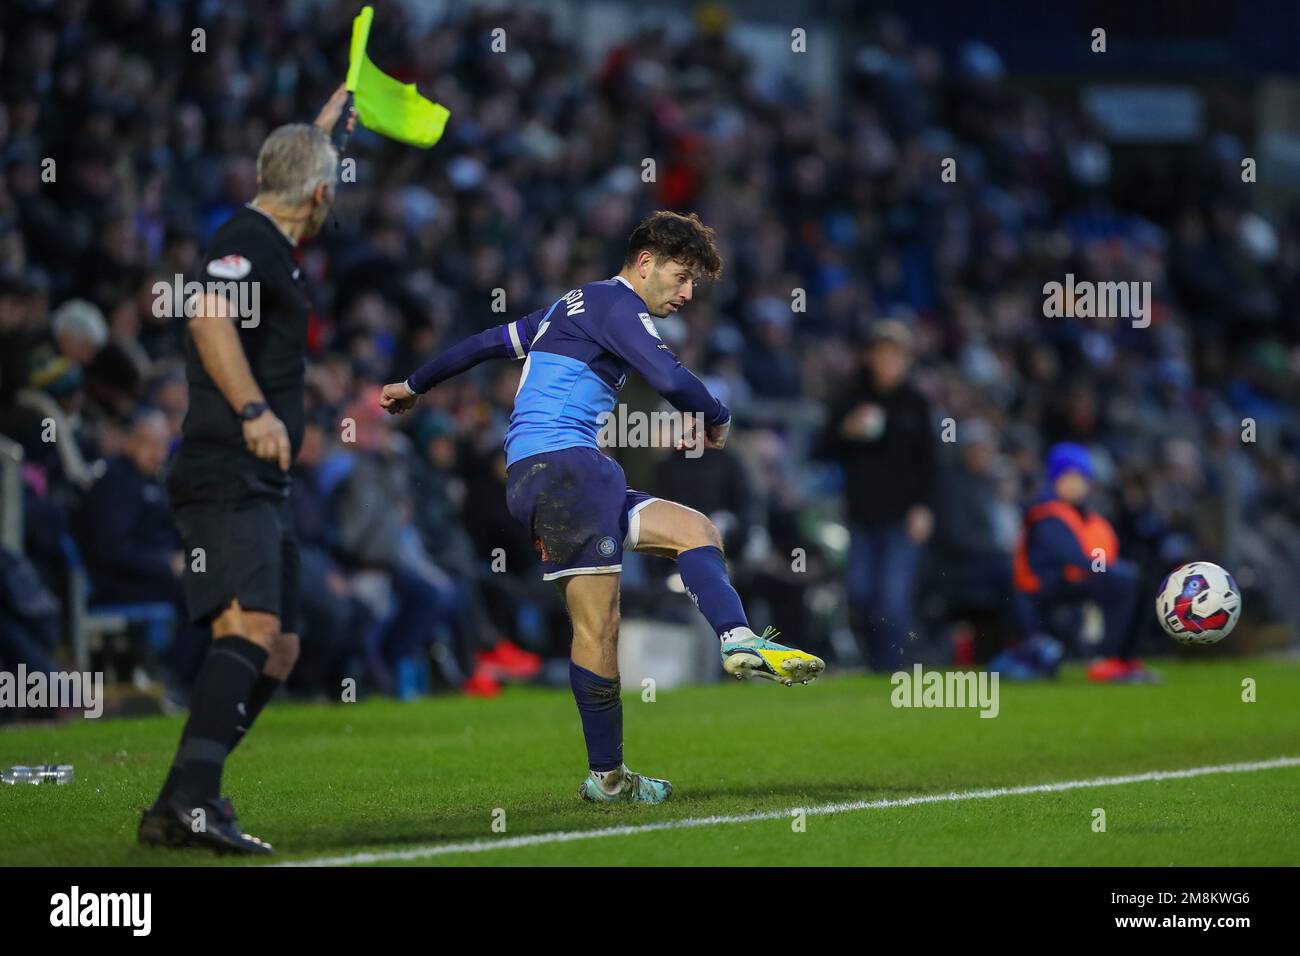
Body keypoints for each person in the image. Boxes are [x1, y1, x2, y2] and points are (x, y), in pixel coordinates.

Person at [380, 211, 825, 804]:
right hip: (565, 468)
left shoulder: (568, 308)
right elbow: (666, 373)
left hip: (571, 472)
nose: (688, 293)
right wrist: (717, 417)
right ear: (645, 263)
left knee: (694, 530)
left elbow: (487, 343)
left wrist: (413, 385)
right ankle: (609, 779)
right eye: (682, 276)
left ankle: (738, 638)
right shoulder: (617, 306)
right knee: (598, 627)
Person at [137, 87, 355, 855]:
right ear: (322, 193)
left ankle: (184, 799)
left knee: (282, 645)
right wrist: (257, 412)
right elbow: (207, 316)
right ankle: (193, 803)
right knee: (251, 628)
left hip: (260, 481)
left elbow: (292, 163)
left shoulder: (267, 233)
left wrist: (322, 130)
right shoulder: (246, 240)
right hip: (226, 466)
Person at [821, 320, 936, 670]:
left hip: (902, 518)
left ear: (906, 360)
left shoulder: (916, 404)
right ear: (871, 357)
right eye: (882, 353)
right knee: (859, 594)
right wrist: (846, 430)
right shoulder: (850, 399)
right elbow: (823, 448)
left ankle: (893, 667)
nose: (888, 361)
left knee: (893, 599)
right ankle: (876, 662)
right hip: (860, 515)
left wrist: (924, 507)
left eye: (895, 355)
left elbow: (929, 463)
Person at [1009, 442, 1156, 683]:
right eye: (1069, 476)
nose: (1076, 483)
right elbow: (1070, 556)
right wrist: (1110, 572)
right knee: (1123, 581)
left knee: (1136, 580)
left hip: (1073, 581)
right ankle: (1108, 660)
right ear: (1055, 478)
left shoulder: (1086, 515)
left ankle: (1126, 660)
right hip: (1043, 587)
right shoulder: (1047, 513)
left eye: (1081, 477)